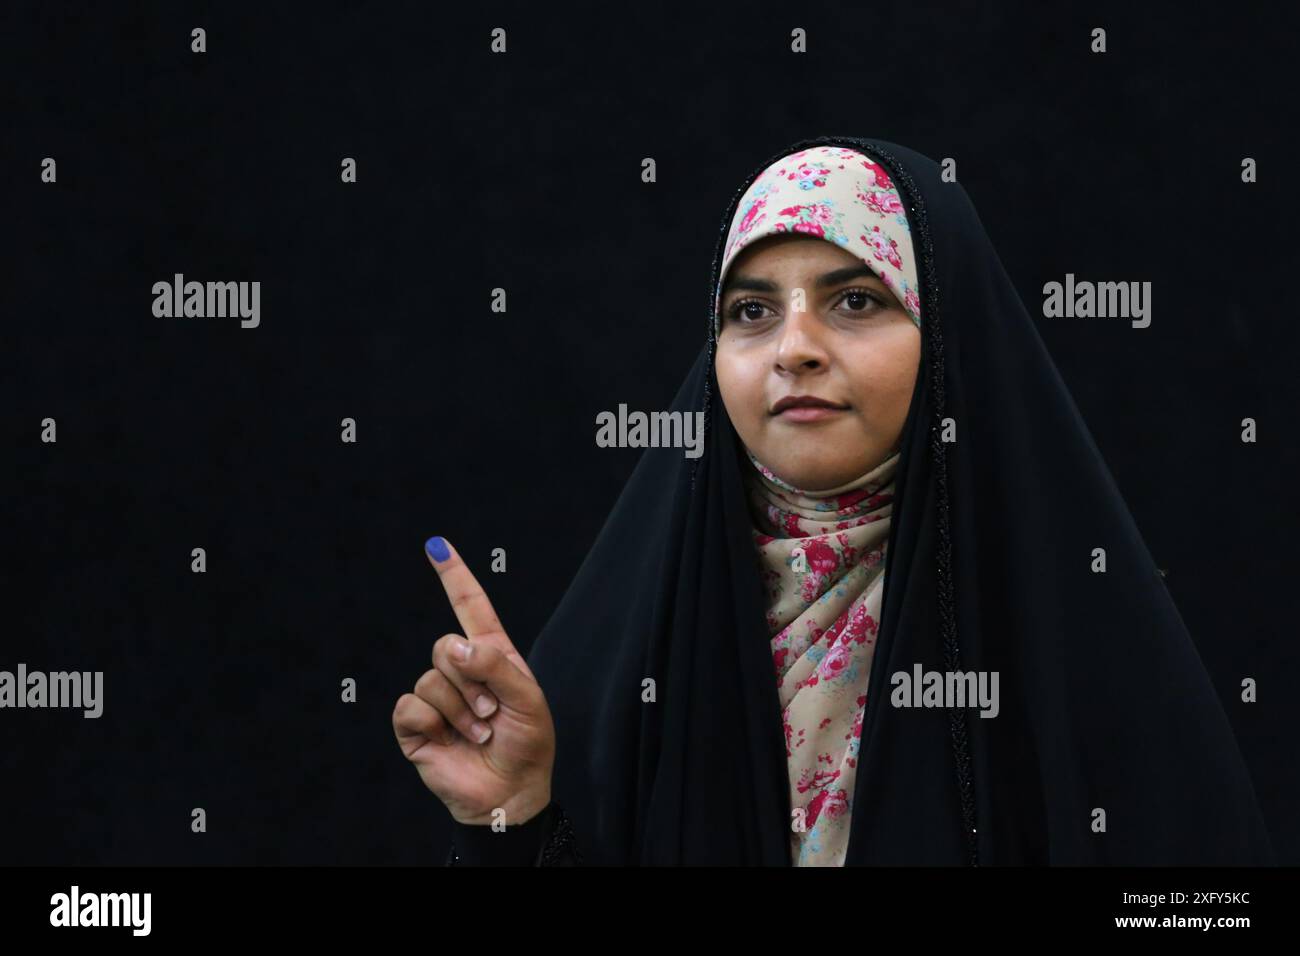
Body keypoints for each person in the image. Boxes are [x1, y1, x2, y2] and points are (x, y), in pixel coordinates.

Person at [392, 136, 1275, 866]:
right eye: (750, 311)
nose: (794, 349)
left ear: (947, 341)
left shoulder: (1074, 627)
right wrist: (513, 819)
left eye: (856, 299)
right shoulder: (625, 653)